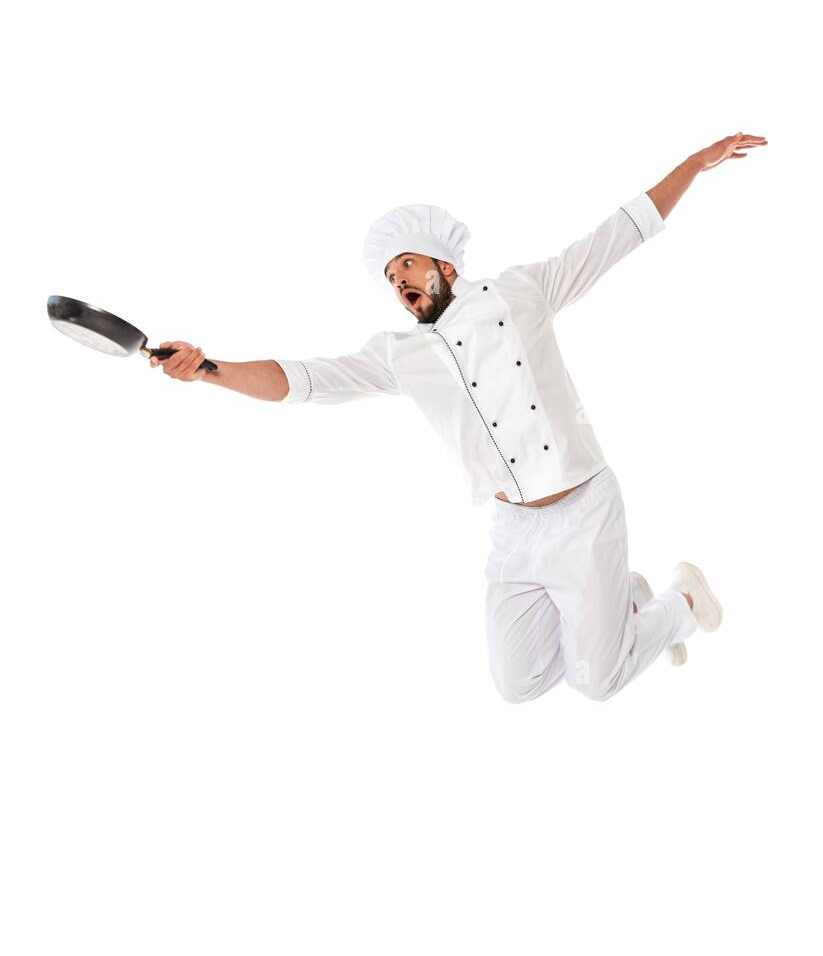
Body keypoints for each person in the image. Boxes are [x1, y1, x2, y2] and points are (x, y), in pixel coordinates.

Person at [153, 131, 766, 704]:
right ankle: (620, 609)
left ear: (445, 267)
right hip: (514, 532)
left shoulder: (522, 291)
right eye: (391, 278)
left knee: (597, 682)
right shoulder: (400, 356)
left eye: (407, 268)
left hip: (583, 510)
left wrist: (691, 167)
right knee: (518, 683)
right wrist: (210, 367)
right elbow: (305, 379)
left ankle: (681, 601)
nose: (398, 284)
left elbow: (614, 237)